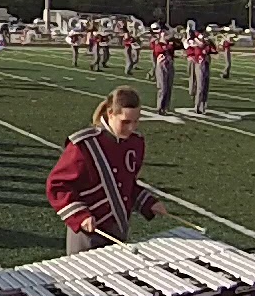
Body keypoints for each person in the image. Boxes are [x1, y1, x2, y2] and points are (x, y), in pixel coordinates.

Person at [45, 86, 167, 254]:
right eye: (125, 122)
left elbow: (126, 185)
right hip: (88, 231)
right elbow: (57, 185)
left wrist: (149, 203)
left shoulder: (135, 143)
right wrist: (80, 216)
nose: (131, 128)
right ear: (110, 113)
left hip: (118, 229)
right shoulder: (85, 145)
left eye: (136, 121)